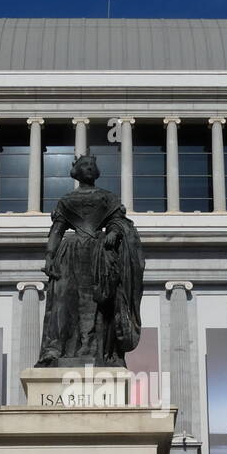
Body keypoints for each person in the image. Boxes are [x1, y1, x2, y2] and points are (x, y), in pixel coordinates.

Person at [35, 153, 144, 367]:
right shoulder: (66, 200)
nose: (88, 168)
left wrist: (113, 232)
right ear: (75, 171)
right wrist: (49, 256)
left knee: (100, 301)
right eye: (84, 165)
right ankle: (56, 350)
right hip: (70, 253)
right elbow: (57, 231)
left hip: (99, 252)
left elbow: (119, 223)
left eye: (91, 165)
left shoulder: (108, 197)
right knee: (64, 301)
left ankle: (99, 349)